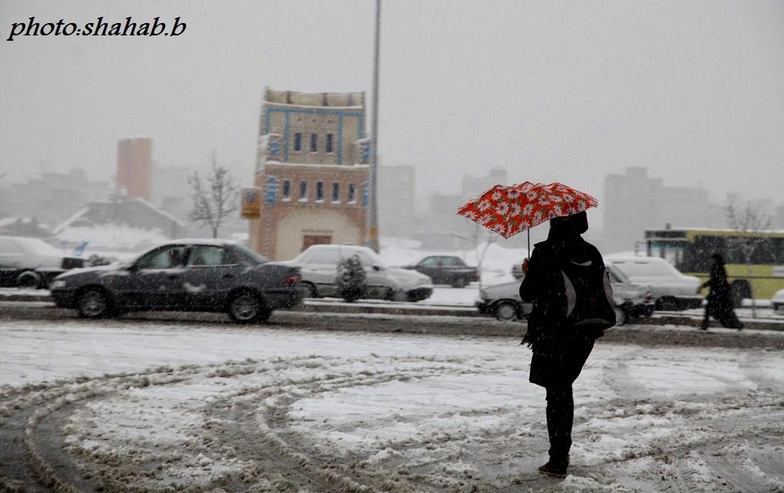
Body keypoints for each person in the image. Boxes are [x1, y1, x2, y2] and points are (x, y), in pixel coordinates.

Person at [518, 211, 608, 479]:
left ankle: (558, 459)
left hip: (554, 333)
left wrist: (528, 272)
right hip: (585, 332)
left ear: (556, 223)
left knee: (557, 394)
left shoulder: (547, 251)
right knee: (562, 389)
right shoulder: (592, 251)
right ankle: (559, 455)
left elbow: (528, 294)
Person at [699, 253, 743, 330]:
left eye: (712, 259)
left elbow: (715, 280)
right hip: (721, 292)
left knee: (712, 308)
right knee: (725, 310)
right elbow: (719, 280)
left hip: (719, 293)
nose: (710, 261)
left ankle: (736, 324)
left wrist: (703, 285)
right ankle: (737, 324)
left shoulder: (717, 267)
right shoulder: (720, 267)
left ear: (715, 260)